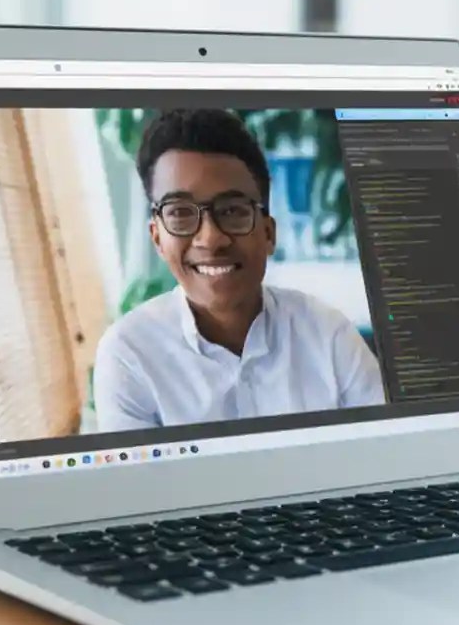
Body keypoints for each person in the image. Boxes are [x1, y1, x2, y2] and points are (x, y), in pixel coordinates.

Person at [94, 108, 385, 431]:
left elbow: (385, 454)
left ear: (268, 233)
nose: (211, 238)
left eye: (232, 210)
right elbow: (141, 483)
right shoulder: (128, 355)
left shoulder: (328, 335)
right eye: (180, 213)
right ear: (158, 238)